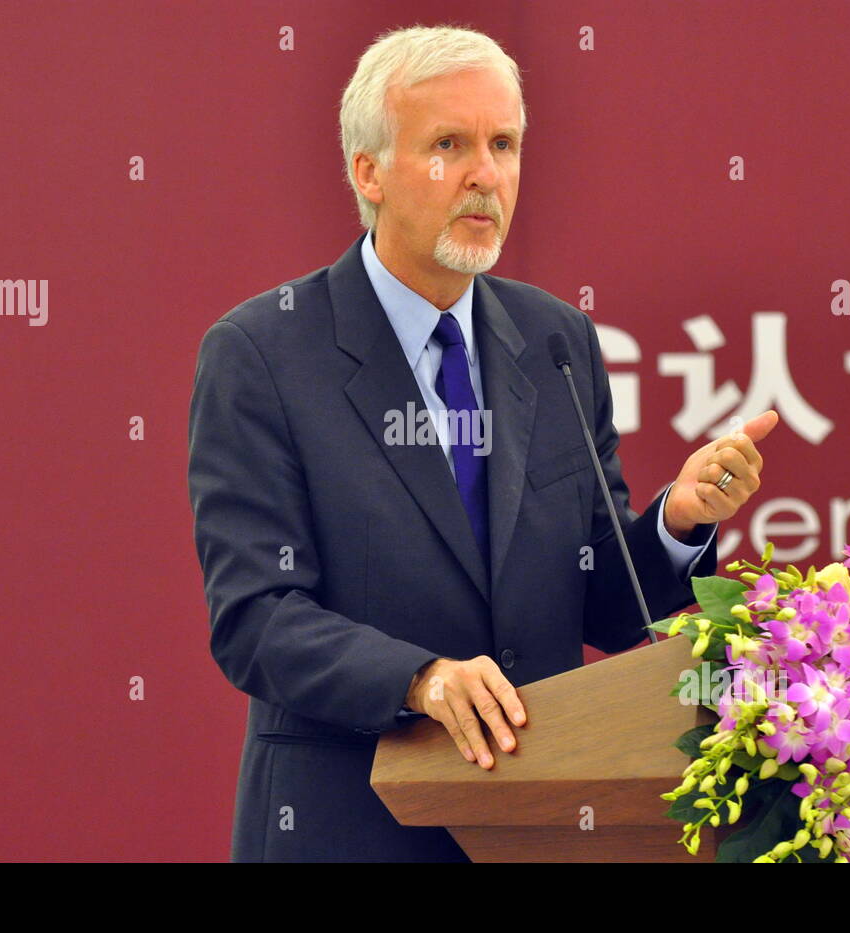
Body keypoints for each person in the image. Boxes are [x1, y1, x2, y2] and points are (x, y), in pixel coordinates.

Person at [187, 24, 776, 862]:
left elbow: (603, 604)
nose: (484, 174)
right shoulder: (264, 353)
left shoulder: (554, 338)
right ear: (369, 171)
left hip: (544, 828)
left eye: (504, 144)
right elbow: (256, 616)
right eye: (448, 145)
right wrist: (420, 678)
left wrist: (679, 521)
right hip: (347, 825)